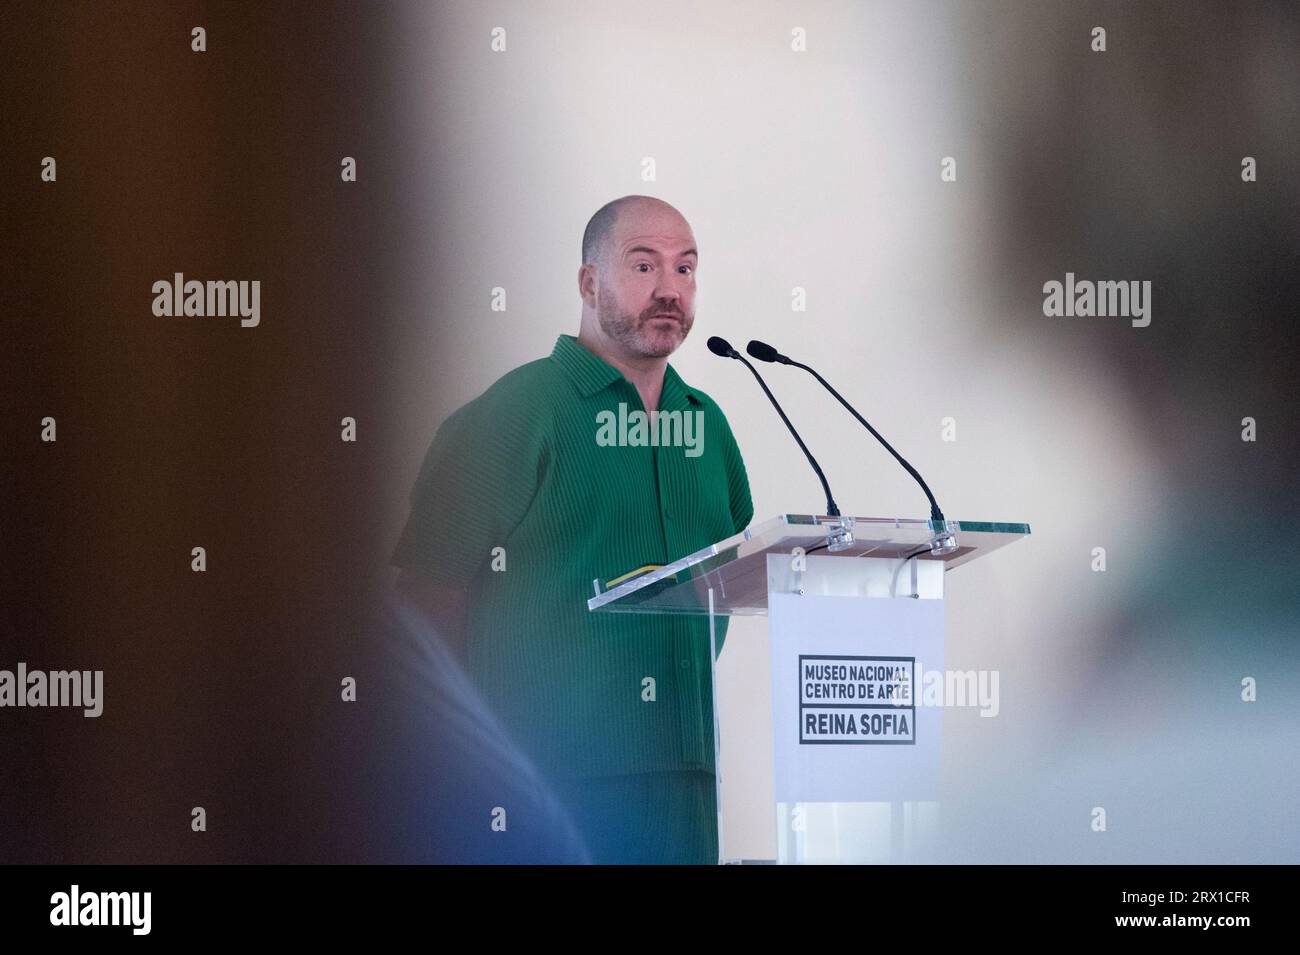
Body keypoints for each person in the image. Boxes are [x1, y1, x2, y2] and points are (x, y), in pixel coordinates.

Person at [392, 195, 753, 864]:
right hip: (541, 794)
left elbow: (725, 576)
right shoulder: (514, 415)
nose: (669, 289)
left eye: (686, 268)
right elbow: (421, 608)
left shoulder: (709, 428)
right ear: (589, 283)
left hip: (686, 790)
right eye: (643, 266)